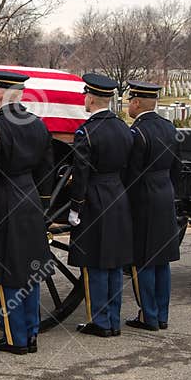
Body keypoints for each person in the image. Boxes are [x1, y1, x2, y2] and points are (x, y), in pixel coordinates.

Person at [0, 70, 54, 355]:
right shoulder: (39, 125)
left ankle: (14, 338)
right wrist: (42, 202)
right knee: (29, 271)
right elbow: (47, 169)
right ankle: (31, 333)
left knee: (8, 272)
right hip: (31, 196)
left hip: (6, 200)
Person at [67, 74, 133, 337]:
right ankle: (113, 319)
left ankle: (99, 321)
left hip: (94, 198)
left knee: (94, 261)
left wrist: (75, 206)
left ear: (91, 97)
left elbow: (81, 174)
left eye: (86, 96)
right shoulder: (123, 129)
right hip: (118, 195)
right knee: (114, 262)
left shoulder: (87, 132)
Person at [123, 81, 181, 332]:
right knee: (161, 259)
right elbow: (177, 167)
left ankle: (148, 315)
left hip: (143, 198)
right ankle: (162, 315)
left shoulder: (137, 133)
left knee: (142, 259)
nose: (128, 105)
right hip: (165, 193)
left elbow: (131, 176)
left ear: (136, 103)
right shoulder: (169, 128)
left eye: (129, 101)